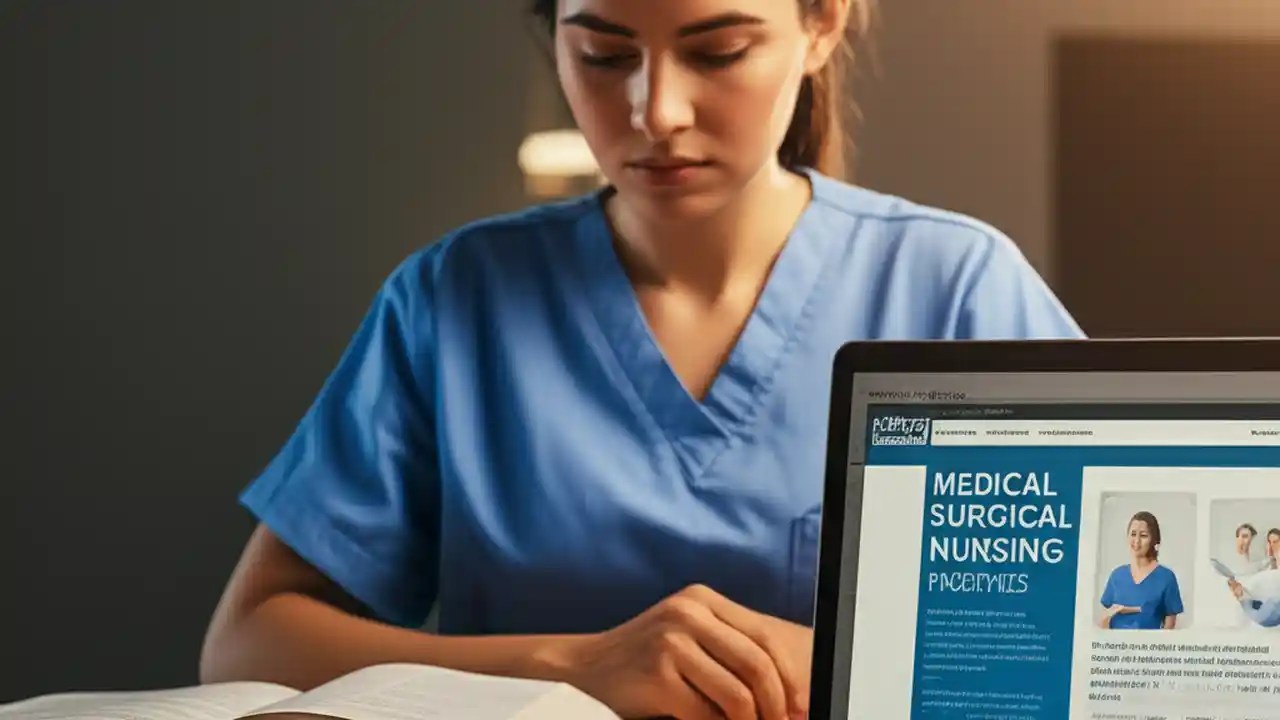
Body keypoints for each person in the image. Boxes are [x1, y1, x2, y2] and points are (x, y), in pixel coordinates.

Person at [198, 1, 1082, 719]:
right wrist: (574, 665)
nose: (656, 111)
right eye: (604, 56)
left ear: (822, 26)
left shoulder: (956, 288)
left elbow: (1103, 642)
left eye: (721, 50)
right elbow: (248, 643)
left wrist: (851, 663)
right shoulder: (456, 298)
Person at [1099, 511, 1183, 630]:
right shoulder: (1117, 576)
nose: (1137, 541)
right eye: (1133, 534)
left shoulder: (1166, 577)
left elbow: (1169, 624)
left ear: (1154, 540)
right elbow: (1104, 618)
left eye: (1143, 535)